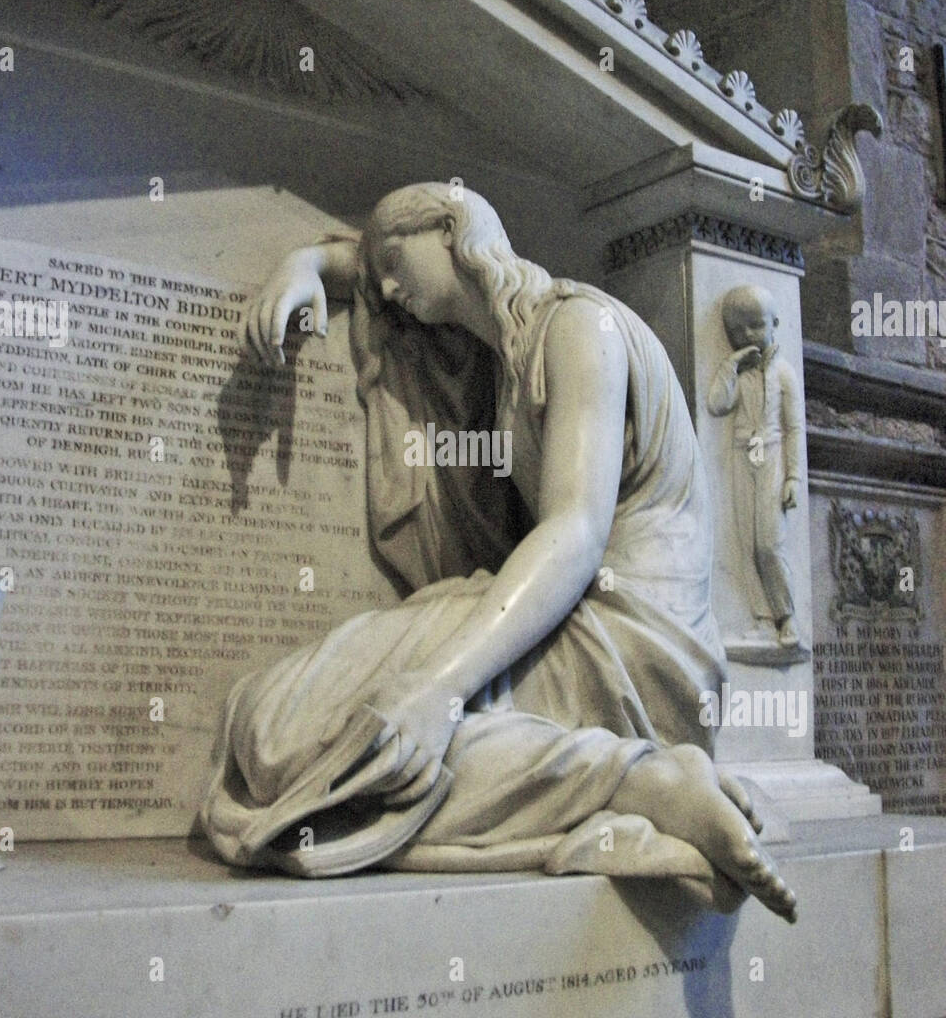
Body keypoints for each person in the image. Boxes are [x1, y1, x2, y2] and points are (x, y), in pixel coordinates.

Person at [202, 184, 796, 922]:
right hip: (564, 611)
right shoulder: (505, 359)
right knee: (270, 720)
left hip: (632, 639)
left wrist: (439, 687)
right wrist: (304, 267)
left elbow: (575, 535)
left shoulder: (583, 329)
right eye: (377, 273)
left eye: (397, 259)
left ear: (453, 230)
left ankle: (636, 781)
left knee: (343, 746)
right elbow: (364, 268)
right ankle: (645, 785)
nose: (385, 287)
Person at [707, 285, 803, 648]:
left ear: (774, 323)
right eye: (738, 330)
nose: (748, 335)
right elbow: (717, 405)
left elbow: (794, 428)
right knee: (746, 542)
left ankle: (788, 615)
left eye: (756, 325)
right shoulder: (739, 371)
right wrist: (730, 366)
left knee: (769, 543)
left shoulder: (784, 374)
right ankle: (763, 619)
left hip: (773, 454)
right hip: (741, 453)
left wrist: (793, 476)